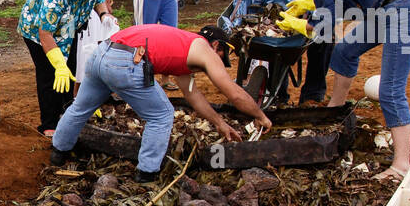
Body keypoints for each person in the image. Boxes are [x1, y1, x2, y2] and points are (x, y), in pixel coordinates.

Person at [277, 0, 410, 181]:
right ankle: (336, 109)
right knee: (345, 50)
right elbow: (343, 4)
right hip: (391, 4)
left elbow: (327, 24)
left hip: (404, 10)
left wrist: (301, 24)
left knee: (390, 90)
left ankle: (401, 165)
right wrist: (310, 7)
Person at [50, 24, 272, 178]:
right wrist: (260, 116)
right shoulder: (205, 49)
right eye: (221, 54)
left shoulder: (185, 48)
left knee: (81, 107)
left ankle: (58, 152)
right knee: (162, 115)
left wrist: (220, 123)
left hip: (101, 54)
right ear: (217, 47)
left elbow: (194, 96)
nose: (218, 60)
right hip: (126, 60)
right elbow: (233, 93)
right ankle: (147, 172)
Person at [17, 0, 113, 136]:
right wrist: (59, 64)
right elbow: (45, 34)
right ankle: (49, 125)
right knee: (50, 74)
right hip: (38, 32)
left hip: (70, 27)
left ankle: (68, 113)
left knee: (71, 69)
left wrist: (103, 15)